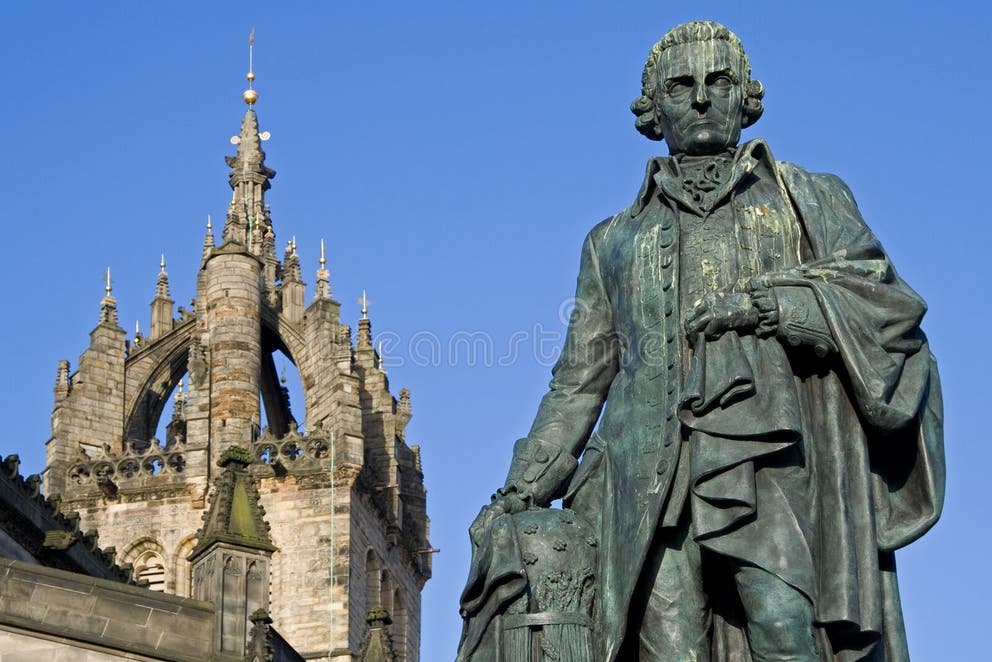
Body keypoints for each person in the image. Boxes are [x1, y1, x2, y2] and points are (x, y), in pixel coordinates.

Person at [463, 20, 944, 662]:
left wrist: (777, 306)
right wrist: (520, 489)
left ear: (746, 94)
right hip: (644, 486)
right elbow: (579, 380)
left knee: (786, 634)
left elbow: (883, 304)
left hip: (771, 459)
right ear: (652, 108)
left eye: (717, 81)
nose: (699, 99)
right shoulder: (612, 241)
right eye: (680, 86)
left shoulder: (807, 200)